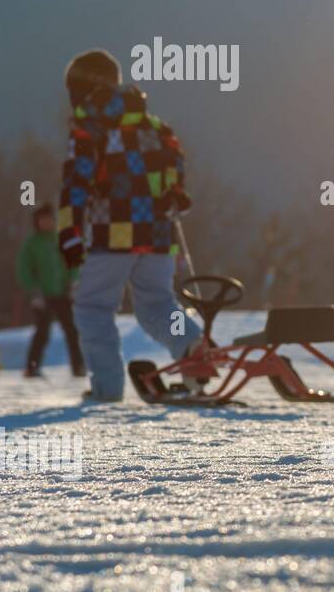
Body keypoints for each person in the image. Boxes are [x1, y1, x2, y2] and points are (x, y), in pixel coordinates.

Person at [57, 49, 204, 402]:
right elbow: (175, 171)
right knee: (157, 305)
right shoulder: (156, 126)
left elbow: (76, 184)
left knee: (93, 307)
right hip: (159, 235)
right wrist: (176, 194)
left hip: (113, 233)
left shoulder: (90, 130)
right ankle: (193, 351)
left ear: (85, 87)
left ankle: (107, 388)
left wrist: (69, 234)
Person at [17, 203, 86, 377]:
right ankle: (32, 366)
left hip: (63, 293)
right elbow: (24, 269)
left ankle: (78, 366)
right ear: (37, 222)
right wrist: (33, 290)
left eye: (50, 219)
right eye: (43, 220)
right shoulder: (32, 244)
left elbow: (74, 263)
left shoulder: (61, 239)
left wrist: (72, 282)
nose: (47, 223)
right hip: (43, 295)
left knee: (71, 330)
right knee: (42, 332)